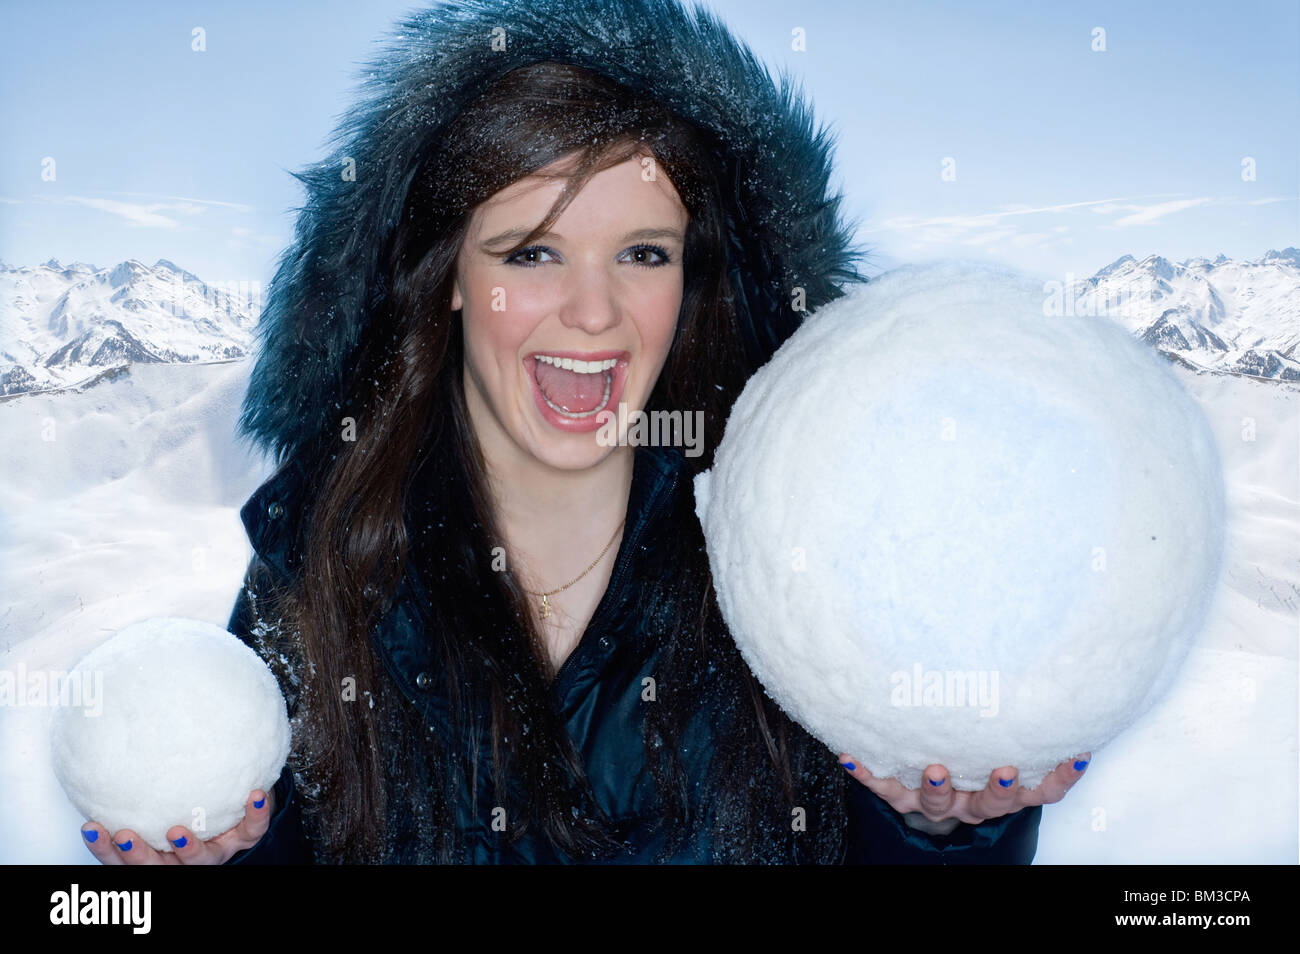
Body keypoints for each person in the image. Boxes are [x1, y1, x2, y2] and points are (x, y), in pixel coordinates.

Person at [80, 0, 1085, 866]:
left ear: (693, 282)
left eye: (642, 252)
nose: (595, 312)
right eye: (531, 252)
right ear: (450, 285)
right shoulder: (315, 568)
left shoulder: (808, 564)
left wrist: (937, 836)